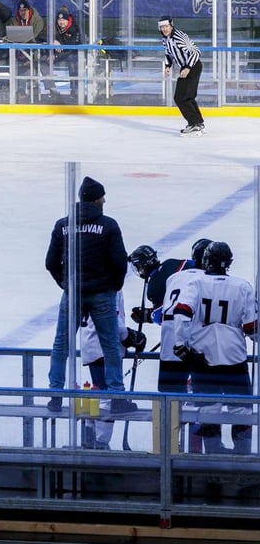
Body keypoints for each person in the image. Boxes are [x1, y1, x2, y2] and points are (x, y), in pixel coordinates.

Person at [45, 176, 133, 414]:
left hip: (73, 292)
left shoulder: (62, 224)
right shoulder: (108, 225)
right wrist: (113, 287)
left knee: (61, 344)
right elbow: (119, 261)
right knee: (110, 344)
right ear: (97, 199)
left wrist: (65, 284)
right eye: (102, 196)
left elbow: (51, 262)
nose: (104, 200)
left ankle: (55, 394)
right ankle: (116, 396)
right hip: (101, 292)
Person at [170, 242, 257, 454]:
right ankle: (242, 461)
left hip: (203, 357)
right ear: (228, 263)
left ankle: (212, 461)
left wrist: (181, 344)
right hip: (234, 357)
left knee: (208, 411)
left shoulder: (196, 283)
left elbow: (181, 313)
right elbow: (252, 327)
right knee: (242, 411)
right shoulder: (242, 286)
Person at [130, 240, 209, 452]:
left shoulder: (155, 285)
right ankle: (199, 450)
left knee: (169, 401)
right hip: (201, 343)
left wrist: (146, 315)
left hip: (173, 347)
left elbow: (164, 314)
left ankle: (166, 449)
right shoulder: (176, 263)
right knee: (199, 401)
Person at [78, 293, 146, 450]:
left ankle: (89, 438)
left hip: (93, 344)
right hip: (104, 346)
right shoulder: (109, 284)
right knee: (107, 398)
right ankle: (101, 443)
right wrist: (129, 336)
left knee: (97, 392)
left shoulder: (95, 280)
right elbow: (111, 320)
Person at [158, 15, 205, 136]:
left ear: (171, 25)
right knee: (188, 97)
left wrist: (188, 68)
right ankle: (198, 123)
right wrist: (168, 66)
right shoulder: (165, 39)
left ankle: (194, 124)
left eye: (166, 26)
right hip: (186, 68)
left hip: (193, 66)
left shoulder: (178, 37)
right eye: (162, 27)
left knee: (180, 97)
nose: (164, 29)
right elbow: (168, 53)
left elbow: (196, 52)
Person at [48, 6, 83, 101]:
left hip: (72, 53)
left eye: (63, 19)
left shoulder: (74, 28)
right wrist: (53, 40)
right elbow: (43, 36)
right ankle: (52, 89)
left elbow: (71, 47)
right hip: (60, 53)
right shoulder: (54, 27)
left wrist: (56, 55)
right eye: (59, 19)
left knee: (72, 60)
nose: (61, 22)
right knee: (43, 60)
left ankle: (75, 89)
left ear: (68, 20)